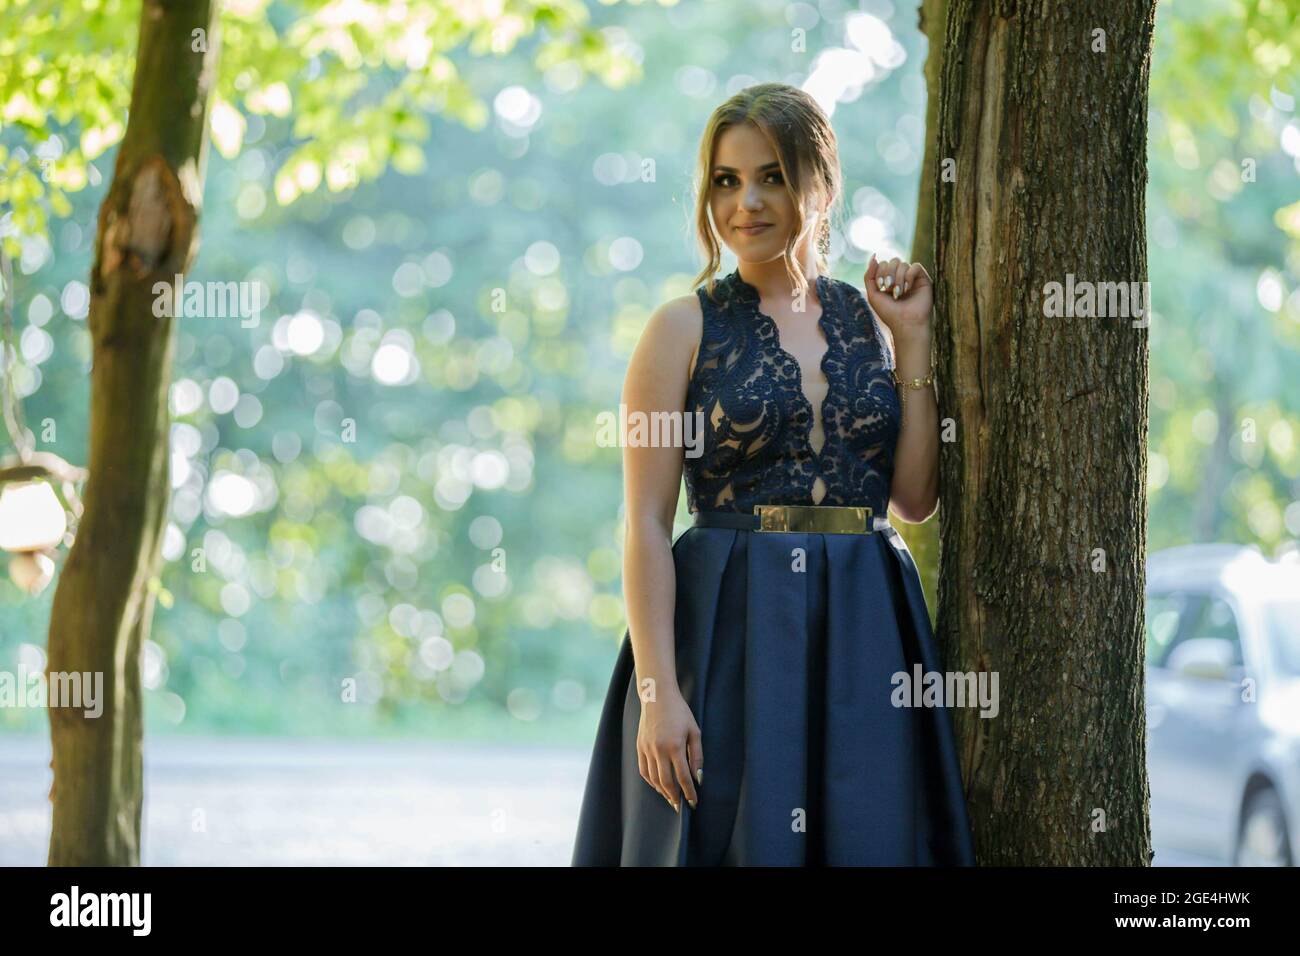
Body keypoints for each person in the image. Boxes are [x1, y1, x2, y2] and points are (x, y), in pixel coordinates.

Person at [571, 82, 976, 865]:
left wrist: (914, 342)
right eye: (726, 180)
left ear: (818, 185)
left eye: (771, 176)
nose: (746, 202)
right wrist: (658, 694)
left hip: (866, 628)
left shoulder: (871, 320)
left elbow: (916, 500)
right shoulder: (680, 328)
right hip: (726, 633)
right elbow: (647, 524)